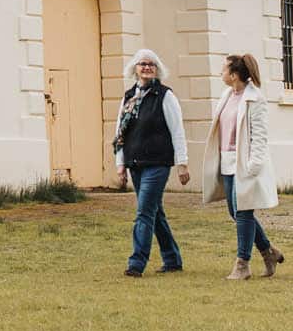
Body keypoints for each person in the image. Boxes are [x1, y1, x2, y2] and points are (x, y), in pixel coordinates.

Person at [203, 52, 283, 280]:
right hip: (226, 162)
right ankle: (268, 252)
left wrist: (253, 166)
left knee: (244, 211)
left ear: (234, 74)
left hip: (244, 164)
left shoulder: (255, 99)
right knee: (235, 212)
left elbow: (260, 135)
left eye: (224, 69)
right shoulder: (227, 95)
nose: (221, 72)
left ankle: (242, 264)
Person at [112, 48, 189, 276]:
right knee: (155, 213)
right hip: (135, 163)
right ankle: (172, 259)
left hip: (158, 163)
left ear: (157, 69)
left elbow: (177, 131)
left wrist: (182, 163)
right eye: (142, 64)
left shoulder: (165, 96)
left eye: (151, 64)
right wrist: (120, 163)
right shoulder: (129, 97)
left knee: (144, 211)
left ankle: (136, 263)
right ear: (135, 69)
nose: (147, 68)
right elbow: (120, 133)